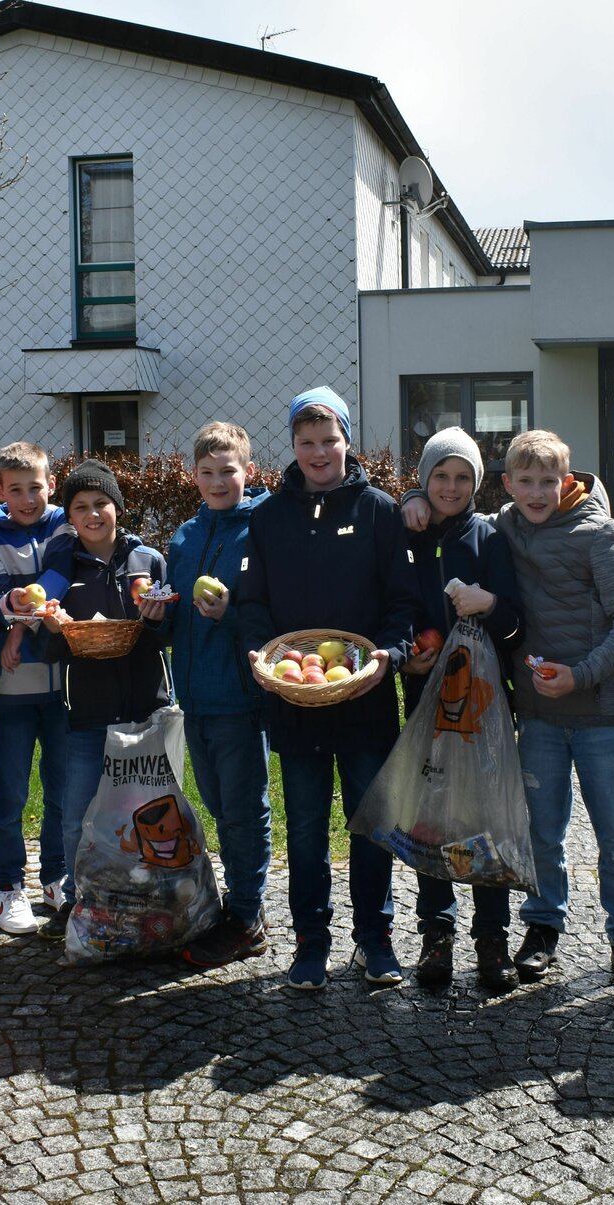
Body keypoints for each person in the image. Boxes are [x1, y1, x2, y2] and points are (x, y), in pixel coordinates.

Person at [409, 430, 614, 990]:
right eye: (526, 482)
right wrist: (412, 497)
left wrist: (583, 673)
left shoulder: (599, 535)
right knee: (541, 831)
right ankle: (543, 927)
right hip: (539, 713)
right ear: (508, 485)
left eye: (549, 481)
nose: (538, 492)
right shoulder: (508, 526)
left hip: (600, 711)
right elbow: (453, 502)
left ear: (568, 481)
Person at [235, 387, 419, 990]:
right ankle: (310, 943)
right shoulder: (266, 517)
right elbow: (253, 603)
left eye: (329, 440)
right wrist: (267, 655)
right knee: (307, 828)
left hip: (365, 700)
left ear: (346, 441)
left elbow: (401, 604)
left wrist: (388, 656)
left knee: (371, 825)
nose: (319, 452)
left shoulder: (379, 513)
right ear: (292, 446)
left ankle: (375, 940)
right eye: (306, 442)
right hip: (296, 701)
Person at [140, 422, 274, 970]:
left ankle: (247, 915)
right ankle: (237, 905)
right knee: (218, 807)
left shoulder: (261, 531)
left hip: (239, 698)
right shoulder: (186, 537)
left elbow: (273, 617)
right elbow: (175, 627)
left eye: (229, 472)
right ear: (192, 475)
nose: (219, 482)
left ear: (248, 472)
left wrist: (231, 614)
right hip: (194, 697)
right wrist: (156, 619)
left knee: (244, 810)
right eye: (208, 472)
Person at [397, 427, 524, 994]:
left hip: (486, 707)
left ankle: (491, 938)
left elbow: (517, 620)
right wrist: (408, 655)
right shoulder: (410, 537)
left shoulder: (491, 539)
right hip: (426, 699)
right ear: (424, 480)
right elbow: (394, 604)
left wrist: (490, 605)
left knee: (482, 819)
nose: (450, 487)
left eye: (462, 477)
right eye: (440, 476)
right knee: (433, 816)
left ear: (477, 483)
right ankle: (436, 933)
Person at [36, 459, 170, 938]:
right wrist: (57, 630)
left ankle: (153, 897)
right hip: (88, 714)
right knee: (79, 816)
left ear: (117, 506)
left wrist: (154, 618)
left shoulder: (148, 561)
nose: (93, 515)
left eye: (101, 504)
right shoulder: (61, 573)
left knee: (148, 812)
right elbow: (51, 648)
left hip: (144, 711)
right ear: (69, 516)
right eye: (80, 507)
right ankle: (79, 901)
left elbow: (164, 634)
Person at [0, 441, 72, 935]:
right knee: (10, 792)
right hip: (13, 686)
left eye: (35, 486)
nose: (27, 498)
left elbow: (58, 577)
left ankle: (57, 876)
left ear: (50, 483)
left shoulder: (63, 523)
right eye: (15, 490)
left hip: (61, 685)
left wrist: (18, 626)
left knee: (60, 787)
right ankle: (5, 886)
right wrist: (8, 610)